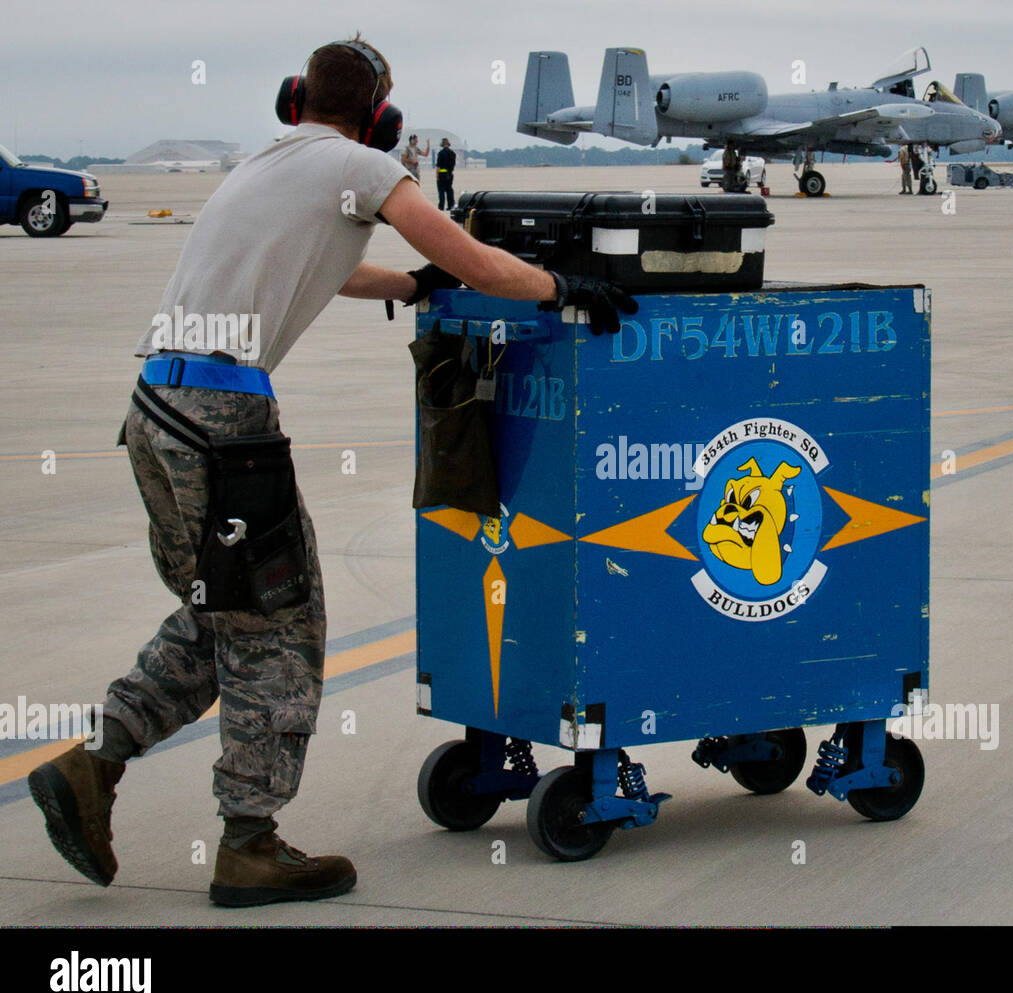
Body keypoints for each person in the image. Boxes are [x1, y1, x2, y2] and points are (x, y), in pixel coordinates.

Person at [26, 35, 636, 909]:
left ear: (294, 100)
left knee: (224, 609)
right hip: (219, 423)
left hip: (152, 406)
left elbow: (330, 270)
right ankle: (248, 843)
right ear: (379, 117)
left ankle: (94, 765)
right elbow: (470, 255)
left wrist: (409, 286)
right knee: (282, 622)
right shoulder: (360, 165)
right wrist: (557, 288)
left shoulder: (265, 164)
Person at [435, 137, 457, 211]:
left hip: (442, 174)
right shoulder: (453, 153)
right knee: (449, 190)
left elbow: (438, 166)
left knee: (441, 191)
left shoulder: (441, 153)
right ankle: (451, 205)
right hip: (450, 174)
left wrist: (437, 176)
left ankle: (441, 207)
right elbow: (453, 165)